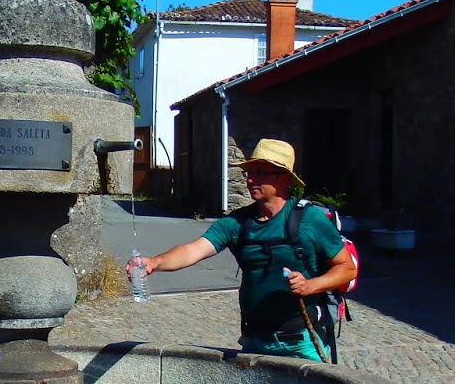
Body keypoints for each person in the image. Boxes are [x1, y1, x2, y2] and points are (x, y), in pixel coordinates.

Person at [128, 138, 356, 360]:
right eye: (250, 172)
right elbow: (192, 250)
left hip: (302, 341)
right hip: (255, 340)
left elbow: (347, 268)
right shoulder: (237, 222)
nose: (251, 180)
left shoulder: (309, 219)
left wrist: (310, 285)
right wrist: (154, 263)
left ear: (284, 178)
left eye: (261, 173)